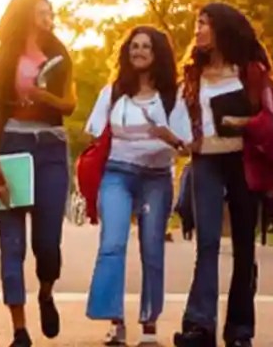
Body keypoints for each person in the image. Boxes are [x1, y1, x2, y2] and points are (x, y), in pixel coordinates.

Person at [169, 3, 273, 347]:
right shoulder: (192, 77)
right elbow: (182, 127)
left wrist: (244, 125)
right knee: (206, 243)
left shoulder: (250, 73)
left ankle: (240, 330)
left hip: (243, 162)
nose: (197, 30)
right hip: (205, 161)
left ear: (221, 29)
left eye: (203, 24)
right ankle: (199, 326)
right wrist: (177, 139)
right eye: (197, 24)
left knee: (244, 247)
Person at [0, 0, 77, 347]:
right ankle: (19, 330)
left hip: (51, 149)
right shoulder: (5, 56)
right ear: (25, 15)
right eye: (42, 12)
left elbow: (69, 105)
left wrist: (45, 98)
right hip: (11, 148)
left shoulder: (60, 54)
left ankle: (46, 292)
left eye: (51, 11)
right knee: (11, 244)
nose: (49, 17)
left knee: (47, 243)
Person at [84, 26, 187, 346]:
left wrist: (166, 136)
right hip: (117, 174)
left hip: (156, 178)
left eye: (146, 47)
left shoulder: (175, 96)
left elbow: (185, 144)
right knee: (112, 242)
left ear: (158, 54)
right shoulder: (112, 93)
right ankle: (115, 321)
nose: (139, 52)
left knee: (152, 249)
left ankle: (150, 323)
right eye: (134, 47)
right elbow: (95, 134)